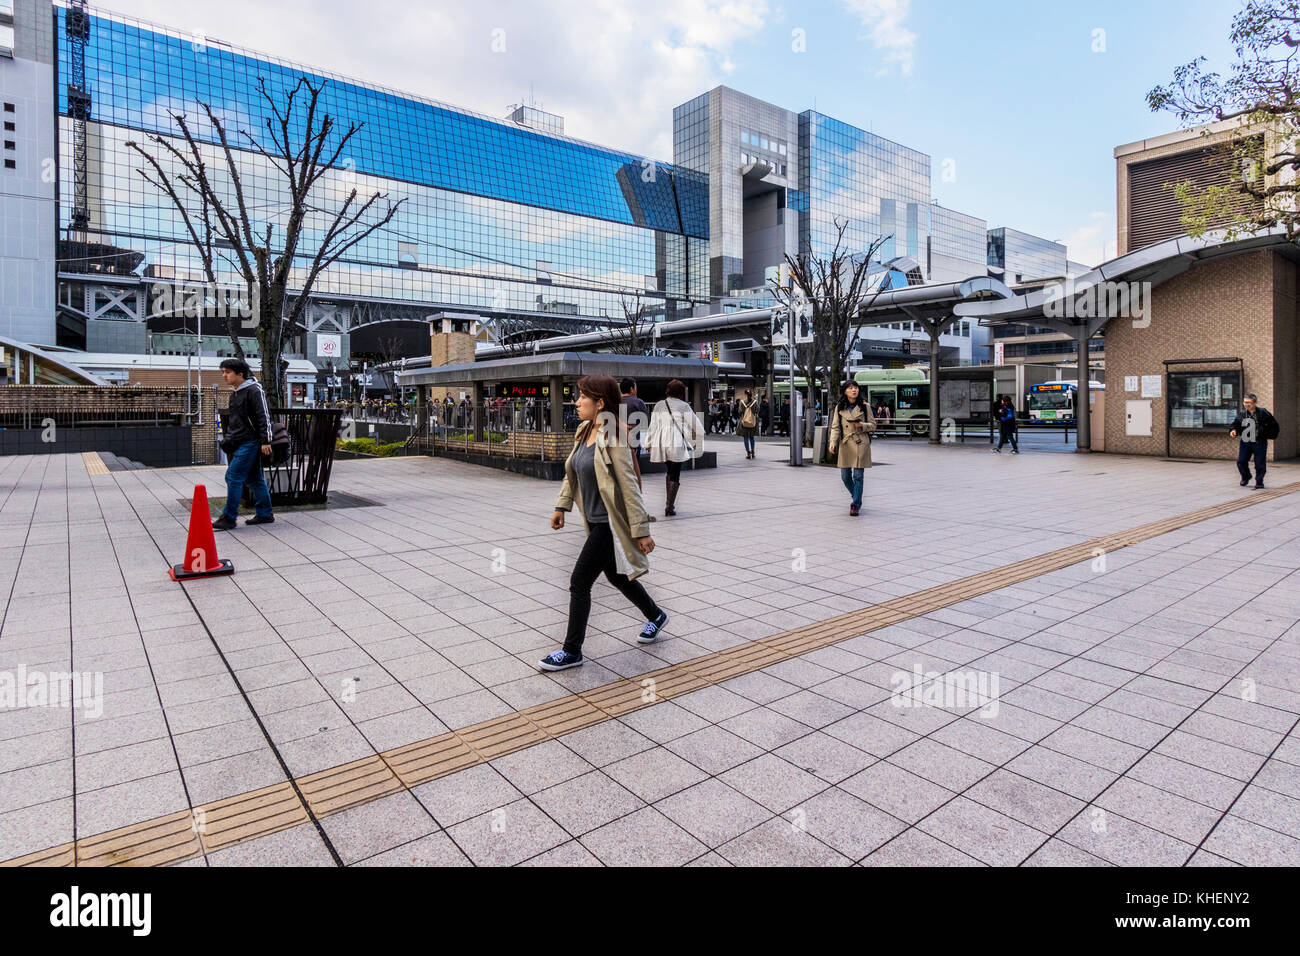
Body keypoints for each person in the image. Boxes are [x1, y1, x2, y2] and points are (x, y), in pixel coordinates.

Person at [540, 375, 667, 671]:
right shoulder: (584, 431)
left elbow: (629, 485)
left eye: (583, 396)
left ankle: (572, 651)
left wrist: (641, 530)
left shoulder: (613, 435)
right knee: (617, 577)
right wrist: (561, 505)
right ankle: (656, 615)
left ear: (600, 403)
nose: (577, 401)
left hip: (608, 524)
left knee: (579, 581)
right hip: (593, 519)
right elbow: (572, 472)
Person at [214, 358, 274, 530]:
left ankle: (229, 517)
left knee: (232, 476)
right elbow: (236, 422)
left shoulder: (254, 391)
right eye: (223, 372)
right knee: (254, 479)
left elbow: (264, 416)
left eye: (227, 372)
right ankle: (264, 513)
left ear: (240, 374)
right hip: (242, 442)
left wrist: (265, 440)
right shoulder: (235, 394)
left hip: (252, 442)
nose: (224, 375)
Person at [645, 378, 705, 516]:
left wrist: (648, 443)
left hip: (661, 441)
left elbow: (653, 425)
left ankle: (669, 504)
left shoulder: (660, 404)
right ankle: (669, 506)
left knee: (670, 471)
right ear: (681, 392)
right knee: (675, 473)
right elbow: (697, 426)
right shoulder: (684, 406)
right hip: (676, 441)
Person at [828, 380, 875, 517]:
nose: (854, 390)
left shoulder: (865, 406)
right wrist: (833, 443)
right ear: (845, 391)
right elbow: (836, 427)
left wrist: (861, 425)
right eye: (850, 388)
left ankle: (855, 504)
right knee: (845, 476)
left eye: (856, 388)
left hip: (861, 442)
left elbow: (873, 425)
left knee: (858, 476)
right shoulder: (840, 407)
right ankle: (857, 496)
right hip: (846, 443)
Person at [619, 377, 655, 523]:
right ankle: (635, 507)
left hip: (616, 444)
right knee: (634, 474)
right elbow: (646, 422)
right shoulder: (638, 402)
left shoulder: (615, 402)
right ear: (632, 389)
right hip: (633, 444)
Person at [1229, 393, 1279, 489]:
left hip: (1259, 442)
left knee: (1259, 463)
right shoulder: (1242, 414)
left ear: (1255, 403)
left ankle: (1259, 482)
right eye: (1245, 402)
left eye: (1249, 403)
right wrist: (1233, 430)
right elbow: (1235, 424)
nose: (1247, 404)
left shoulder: (1263, 413)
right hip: (1245, 442)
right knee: (1241, 461)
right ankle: (1246, 476)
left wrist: (1266, 434)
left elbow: (1273, 425)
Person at [736, 388, 760, 459]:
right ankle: (753, 451)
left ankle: (748, 453)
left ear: (745, 394)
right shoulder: (755, 402)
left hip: (744, 422)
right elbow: (757, 411)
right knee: (752, 437)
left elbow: (740, 412)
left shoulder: (742, 402)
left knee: (745, 437)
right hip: (752, 422)